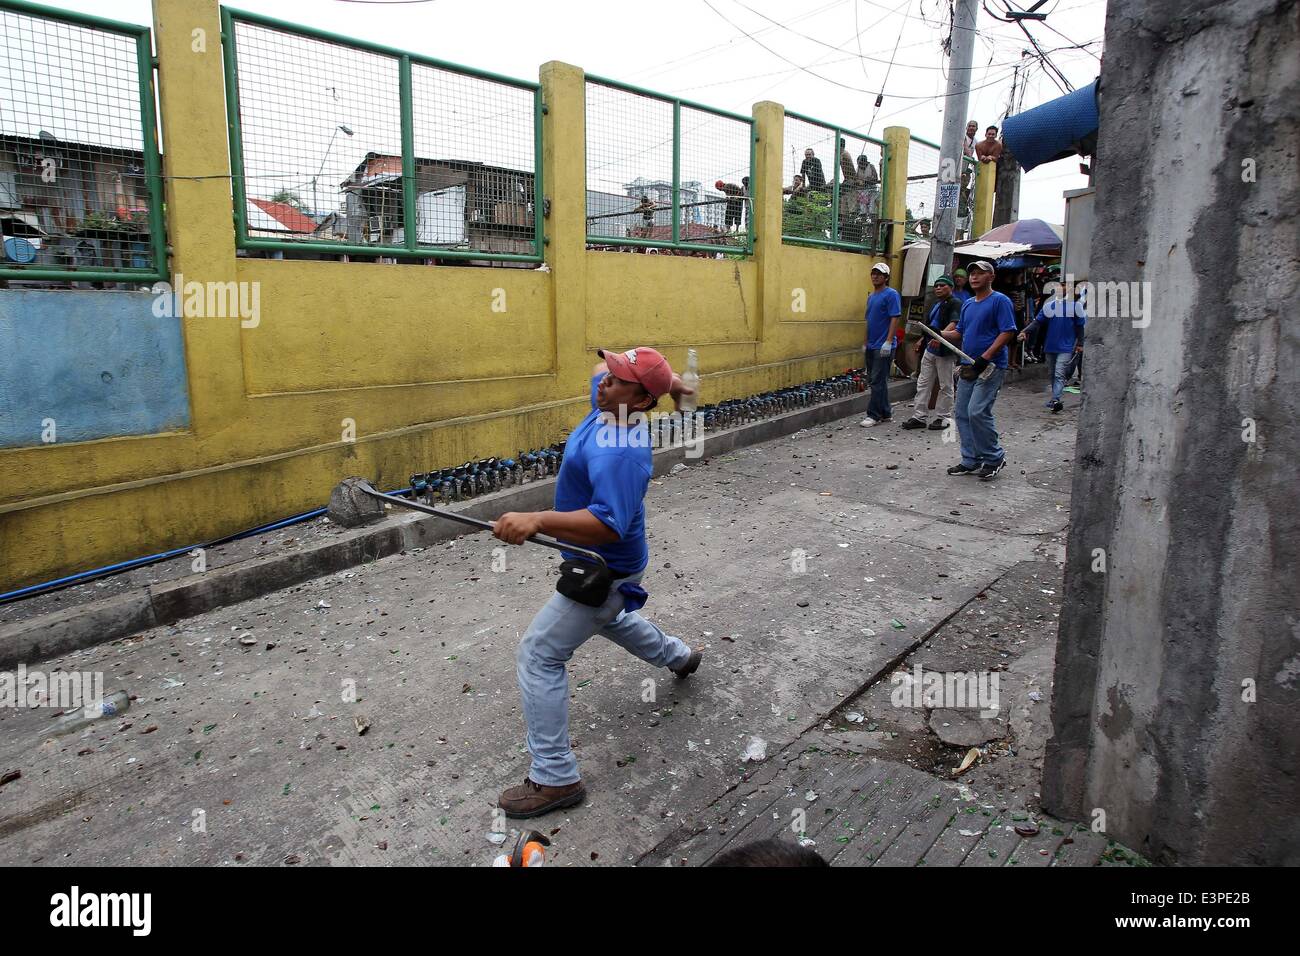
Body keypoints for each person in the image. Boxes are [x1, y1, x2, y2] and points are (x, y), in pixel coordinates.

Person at [494, 348, 700, 818]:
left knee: (539, 653)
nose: (604, 380)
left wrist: (537, 520)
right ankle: (680, 656)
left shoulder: (621, 451)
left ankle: (555, 777)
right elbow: (601, 370)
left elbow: (609, 523)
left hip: (606, 566)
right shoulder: (610, 403)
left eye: (618, 378)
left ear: (641, 400)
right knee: (612, 618)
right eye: (609, 373)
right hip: (604, 567)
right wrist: (674, 385)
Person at [941, 260, 1017, 480]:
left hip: (990, 367)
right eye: (972, 273)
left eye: (980, 273)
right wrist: (937, 333)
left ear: (991, 277)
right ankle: (970, 459)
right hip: (968, 365)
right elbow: (959, 333)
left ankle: (994, 457)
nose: (974, 277)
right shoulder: (968, 304)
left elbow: (1008, 331)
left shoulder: (999, 301)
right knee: (962, 413)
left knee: (977, 411)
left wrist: (986, 356)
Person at [901, 275, 961, 431]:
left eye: (942, 285)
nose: (938, 288)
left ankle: (943, 417)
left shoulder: (955, 303)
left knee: (945, 385)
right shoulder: (936, 304)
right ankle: (919, 416)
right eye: (936, 286)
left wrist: (940, 336)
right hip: (930, 349)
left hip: (944, 351)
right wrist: (922, 339)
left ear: (951, 287)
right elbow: (930, 326)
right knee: (923, 383)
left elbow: (954, 323)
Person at [1019, 286, 1086, 412]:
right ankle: (1055, 398)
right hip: (1050, 346)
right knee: (1052, 373)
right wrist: (1025, 331)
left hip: (1066, 347)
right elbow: (1037, 322)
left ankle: (1055, 399)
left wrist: (1080, 344)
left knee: (1059, 373)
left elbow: (1080, 327)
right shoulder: (1049, 306)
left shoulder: (1076, 307)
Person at [859, 262, 902, 427]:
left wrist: (889, 341)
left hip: (883, 346)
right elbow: (869, 321)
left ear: (886, 277)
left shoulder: (891, 294)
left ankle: (873, 415)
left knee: (877, 380)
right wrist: (865, 342)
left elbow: (895, 317)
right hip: (871, 345)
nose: (875, 276)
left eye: (879, 274)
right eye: (873, 273)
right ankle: (886, 412)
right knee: (877, 380)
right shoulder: (871, 297)